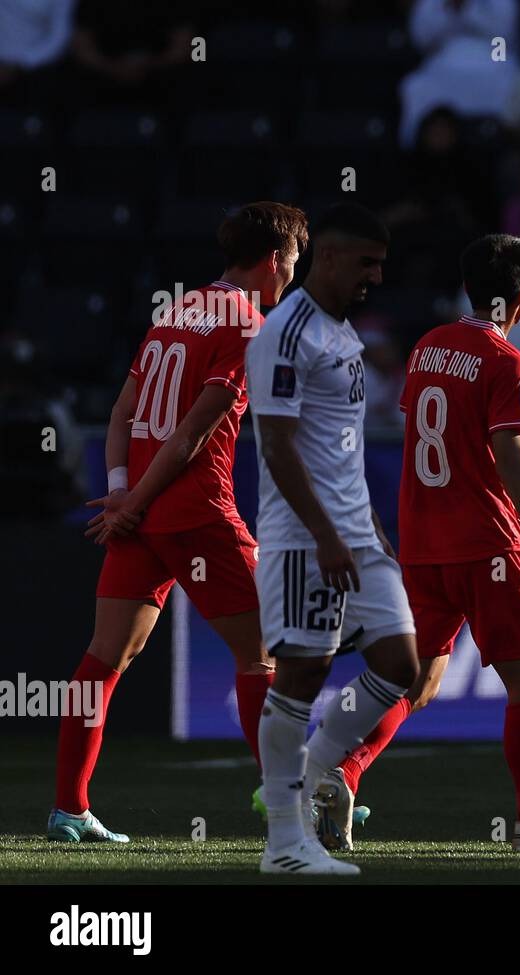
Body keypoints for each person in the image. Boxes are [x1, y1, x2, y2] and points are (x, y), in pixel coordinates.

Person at [329, 234, 520, 854]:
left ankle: (344, 771)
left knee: (416, 683)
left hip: (423, 545)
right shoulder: (509, 363)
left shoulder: (427, 347)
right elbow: (508, 456)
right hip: (489, 545)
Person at [48, 202, 306, 843]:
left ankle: (68, 809)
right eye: (295, 265)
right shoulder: (247, 325)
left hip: (141, 514)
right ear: (274, 261)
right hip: (194, 513)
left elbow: (120, 412)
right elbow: (192, 434)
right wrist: (134, 502)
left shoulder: (179, 309)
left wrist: (120, 493)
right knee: (262, 654)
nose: (293, 281)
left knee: (104, 658)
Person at [244, 204, 419, 875]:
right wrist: (324, 533)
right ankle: (285, 841)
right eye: (366, 263)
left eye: (381, 263)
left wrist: (370, 530)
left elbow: (338, 451)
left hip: (355, 533)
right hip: (301, 538)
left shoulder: (340, 330)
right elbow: (278, 446)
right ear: (331, 258)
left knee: (401, 662)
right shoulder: (285, 332)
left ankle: (317, 768)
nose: (376, 276)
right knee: (300, 676)